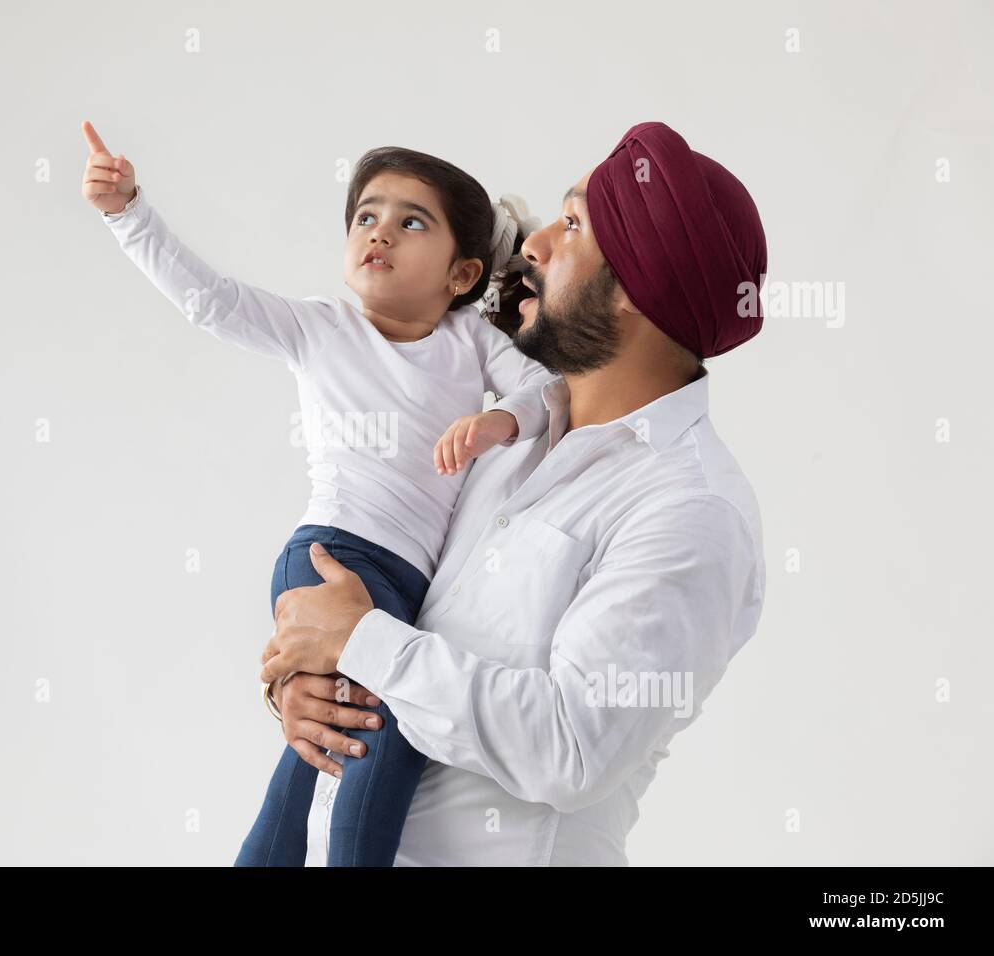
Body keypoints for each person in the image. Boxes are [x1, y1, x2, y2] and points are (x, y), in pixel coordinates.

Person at [260, 121, 769, 866]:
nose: (533, 246)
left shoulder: (689, 510)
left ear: (632, 290)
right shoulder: (500, 438)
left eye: (572, 225)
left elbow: (571, 748)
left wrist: (363, 642)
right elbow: (392, 620)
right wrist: (308, 688)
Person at [80, 121, 555, 865]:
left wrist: (497, 420)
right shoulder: (320, 329)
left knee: (318, 756)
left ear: (461, 276)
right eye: (366, 215)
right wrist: (129, 212)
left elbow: (545, 391)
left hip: (403, 584)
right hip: (331, 560)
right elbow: (210, 300)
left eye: (410, 222)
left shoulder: (471, 344)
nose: (380, 233)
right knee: (383, 733)